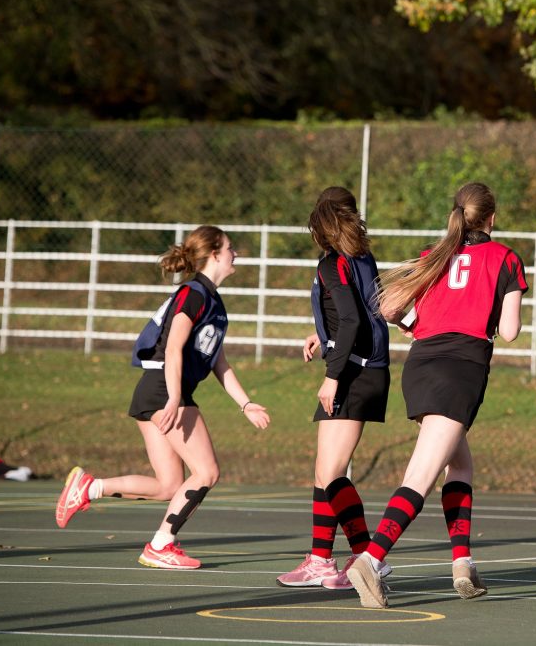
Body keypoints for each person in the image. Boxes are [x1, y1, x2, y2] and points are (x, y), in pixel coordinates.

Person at [344, 181, 528, 608]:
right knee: (421, 475)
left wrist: (415, 323)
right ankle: (370, 559)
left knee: (459, 464)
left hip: (421, 365)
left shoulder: (435, 253)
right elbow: (510, 330)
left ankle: (463, 562)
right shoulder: (505, 258)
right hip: (460, 370)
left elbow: (388, 307)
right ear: (492, 218)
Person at [55, 225, 270, 568]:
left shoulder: (213, 301)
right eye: (230, 248)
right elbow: (172, 348)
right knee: (206, 472)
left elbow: (219, 362)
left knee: (169, 486)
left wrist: (245, 404)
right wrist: (173, 398)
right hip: (163, 389)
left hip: (156, 391)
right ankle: (161, 544)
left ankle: (90, 488)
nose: (236, 254)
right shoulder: (194, 293)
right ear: (215, 254)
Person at [275, 186, 392, 590]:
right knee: (324, 471)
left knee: (330, 473)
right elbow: (358, 312)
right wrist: (322, 335)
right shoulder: (361, 256)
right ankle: (321, 560)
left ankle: (367, 558)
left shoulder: (332, 262)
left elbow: (353, 320)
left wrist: (332, 376)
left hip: (355, 374)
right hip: (365, 369)